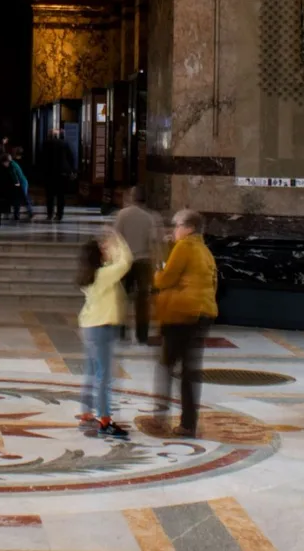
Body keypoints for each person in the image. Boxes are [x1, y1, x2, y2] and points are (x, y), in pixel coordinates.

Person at [151, 209, 217, 438]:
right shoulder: (204, 250)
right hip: (202, 314)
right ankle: (188, 422)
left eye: (177, 225)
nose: (174, 230)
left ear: (189, 228)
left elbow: (165, 278)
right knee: (189, 370)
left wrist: (157, 271)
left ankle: (160, 416)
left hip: (181, 314)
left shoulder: (185, 247)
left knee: (167, 365)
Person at [76, 232, 133, 439]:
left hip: (91, 326)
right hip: (100, 328)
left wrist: (108, 250)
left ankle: (86, 412)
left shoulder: (93, 274)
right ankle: (105, 420)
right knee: (104, 376)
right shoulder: (103, 276)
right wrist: (118, 240)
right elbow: (126, 262)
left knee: (92, 372)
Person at [113, 188, 161, 345]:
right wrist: (156, 264)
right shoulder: (150, 218)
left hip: (124, 262)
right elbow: (153, 242)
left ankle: (121, 332)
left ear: (132, 197)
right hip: (143, 261)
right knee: (142, 301)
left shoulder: (123, 215)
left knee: (121, 298)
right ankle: (142, 334)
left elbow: (116, 237)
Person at [45, 125, 77, 223]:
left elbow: (42, 159)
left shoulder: (46, 144)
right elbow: (71, 157)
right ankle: (59, 214)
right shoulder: (65, 143)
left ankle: (50, 214)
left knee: (49, 195)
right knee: (61, 195)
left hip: (50, 173)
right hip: (62, 173)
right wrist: (72, 171)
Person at [6, 142, 34, 222]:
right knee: (24, 197)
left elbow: (14, 174)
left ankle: (18, 214)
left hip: (20, 181)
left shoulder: (12, 163)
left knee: (20, 198)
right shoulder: (25, 161)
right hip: (23, 180)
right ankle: (27, 212)